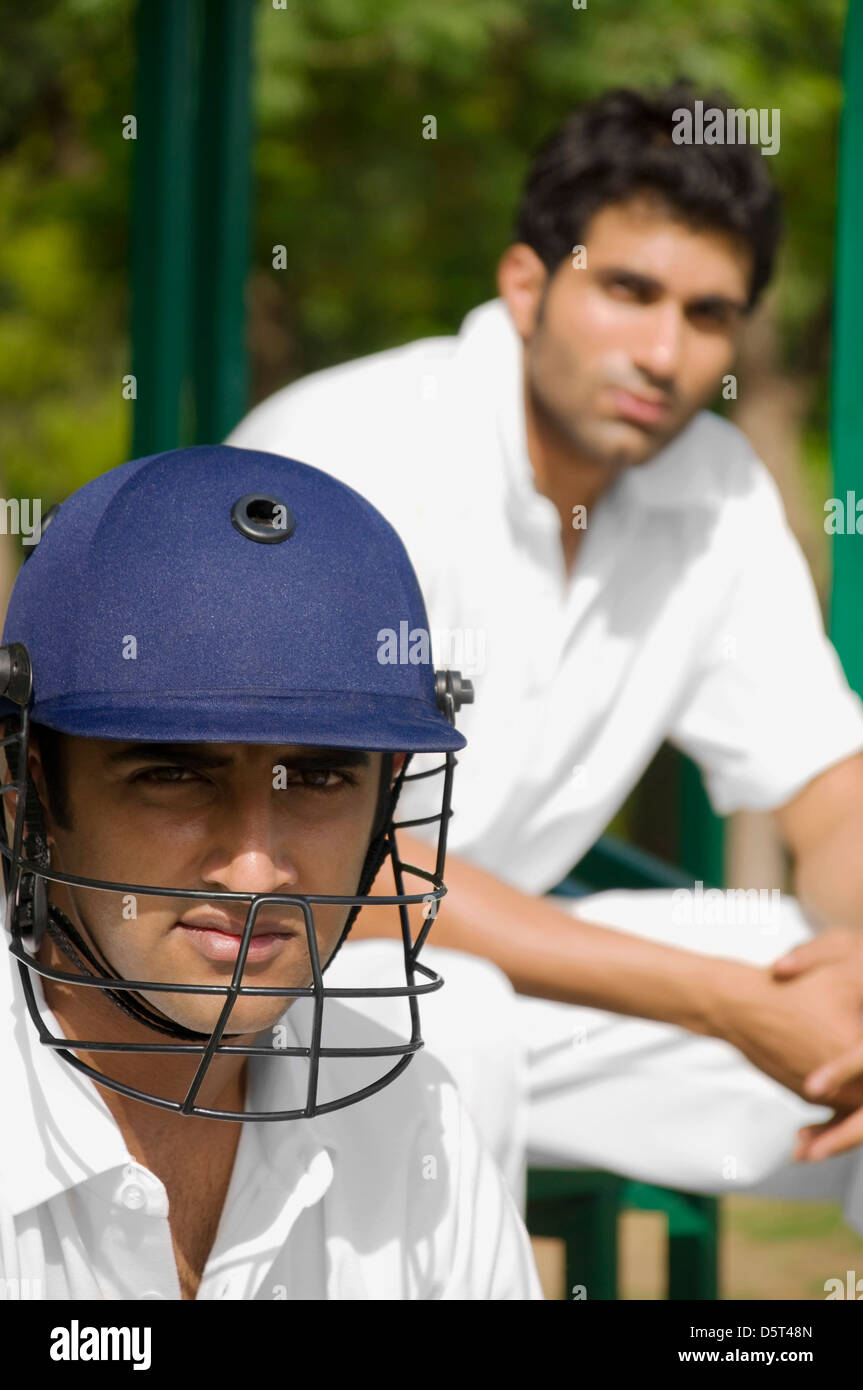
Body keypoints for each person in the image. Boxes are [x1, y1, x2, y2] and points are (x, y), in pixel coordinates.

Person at [225, 82, 863, 1231]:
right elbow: (313, 858)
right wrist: (719, 1000)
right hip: (267, 968)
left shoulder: (711, 486)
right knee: (447, 1009)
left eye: (706, 313)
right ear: (526, 284)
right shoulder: (344, 454)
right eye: (627, 290)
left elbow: (826, 789)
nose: (663, 351)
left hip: (520, 973)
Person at [0, 442, 543, 1301]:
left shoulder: (412, 1123)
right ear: (27, 793)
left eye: (320, 779)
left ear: (385, 801)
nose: (254, 871)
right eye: (173, 775)